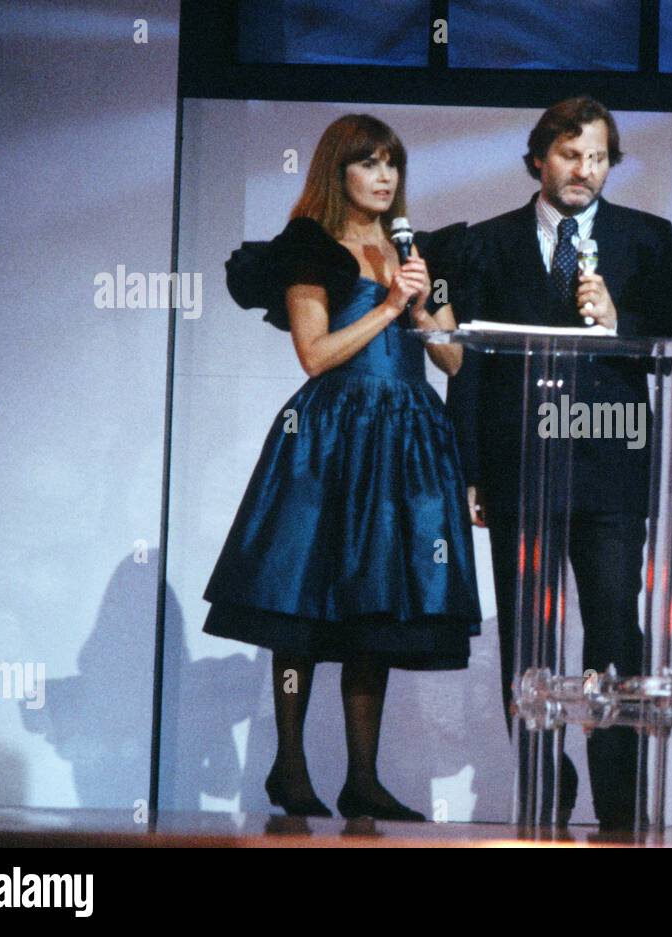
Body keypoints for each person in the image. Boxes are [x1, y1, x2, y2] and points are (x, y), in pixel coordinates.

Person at [203, 113, 481, 820]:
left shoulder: (414, 251)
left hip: (408, 438)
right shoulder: (311, 248)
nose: (385, 177)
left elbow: (451, 359)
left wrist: (421, 307)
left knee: (376, 605)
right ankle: (290, 765)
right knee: (303, 599)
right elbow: (316, 354)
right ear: (340, 171)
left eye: (393, 164)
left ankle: (364, 774)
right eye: (369, 163)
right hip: (332, 436)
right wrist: (389, 305)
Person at [446, 96, 672, 831]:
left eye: (598, 156)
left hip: (611, 467)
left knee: (616, 628)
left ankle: (618, 803)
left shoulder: (648, 239)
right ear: (537, 160)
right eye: (569, 154)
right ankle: (543, 788)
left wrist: (620, 322)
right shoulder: (488, 243)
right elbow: (473, 366)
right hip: (522, 468)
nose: (584, 170)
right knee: (527, 638)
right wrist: (469, 469)